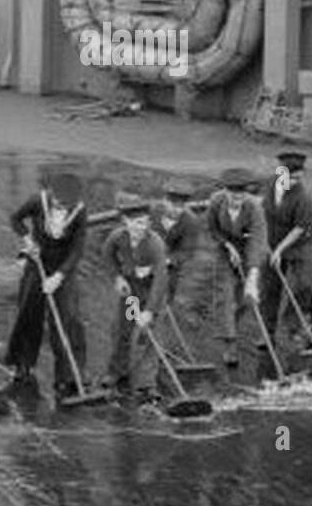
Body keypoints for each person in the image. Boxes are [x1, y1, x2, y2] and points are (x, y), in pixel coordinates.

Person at [4, 172, 88, 398]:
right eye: (59, 203)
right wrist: (27, 240)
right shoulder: (37, 201)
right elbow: (15, 219)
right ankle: (23, 364)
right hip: (37, 263)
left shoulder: (80, 212)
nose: (62, 207)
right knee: (29, 313)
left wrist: (59, 277)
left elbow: (77, 250)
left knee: (67, 318)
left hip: (63, 269)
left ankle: (67, 376)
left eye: (66, 204)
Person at [102, 196, 168, 402]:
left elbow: (161, 279)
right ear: (126, 222)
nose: (142, 227)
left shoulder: (155, 244)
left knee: (149, 336)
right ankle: (117, 371)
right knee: (123, 329)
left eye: (145, 222)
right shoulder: (117, 237)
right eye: (137, 222)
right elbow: (107, 255)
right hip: (131, 292)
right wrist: (117, 277)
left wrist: (148, 311)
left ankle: (147, 384)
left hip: (151, 292)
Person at [205, 168, 268, 367]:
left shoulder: (255, 207)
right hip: (225, 250)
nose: (237, 200)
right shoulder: (216, 201)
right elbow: (213, 228)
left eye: (241, 196)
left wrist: (252, 278)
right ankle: (229, 344)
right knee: (225, 295)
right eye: (233, 195)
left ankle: (240, 327)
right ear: (225, 192)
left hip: (249, 248)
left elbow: (258, 241)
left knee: (245, 298)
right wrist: (227, 245)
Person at [261, 151, 312, 349]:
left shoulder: (304, 196)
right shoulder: (269, 186)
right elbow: (262, 215)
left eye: (298, 178)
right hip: (271, 242)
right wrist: (267, 246)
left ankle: (295, 327)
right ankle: (268, 331)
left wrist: (280, 250)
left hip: (299, 244)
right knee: (270, 288)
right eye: (290, 177)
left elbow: (300, 228)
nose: (294, 182)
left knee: (305, 285)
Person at [152, 178, 206, 333]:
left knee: (164, 301)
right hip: (144, 262)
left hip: (169, 268)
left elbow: (187, 251)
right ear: (164, 201)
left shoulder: (191, 222)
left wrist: (169, 260)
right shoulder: (151, 214)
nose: (176, 209)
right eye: (172, 204)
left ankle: (158, 334)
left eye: (181, 206)